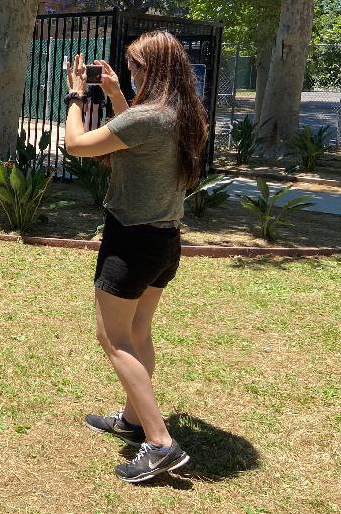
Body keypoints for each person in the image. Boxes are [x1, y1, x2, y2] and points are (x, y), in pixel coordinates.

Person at [62, 30, 208, 483]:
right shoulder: (181, 116)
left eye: (135, 67)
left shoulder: (148, 118)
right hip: (164, 242)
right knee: (138, 330)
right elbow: (132, 141)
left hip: (131, 242)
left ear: (156, 70)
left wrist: (74, 97)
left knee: (113, 339)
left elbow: (77, 146)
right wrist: (117, 96)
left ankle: (161, 442)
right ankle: (131, 418)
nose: (129, 72)